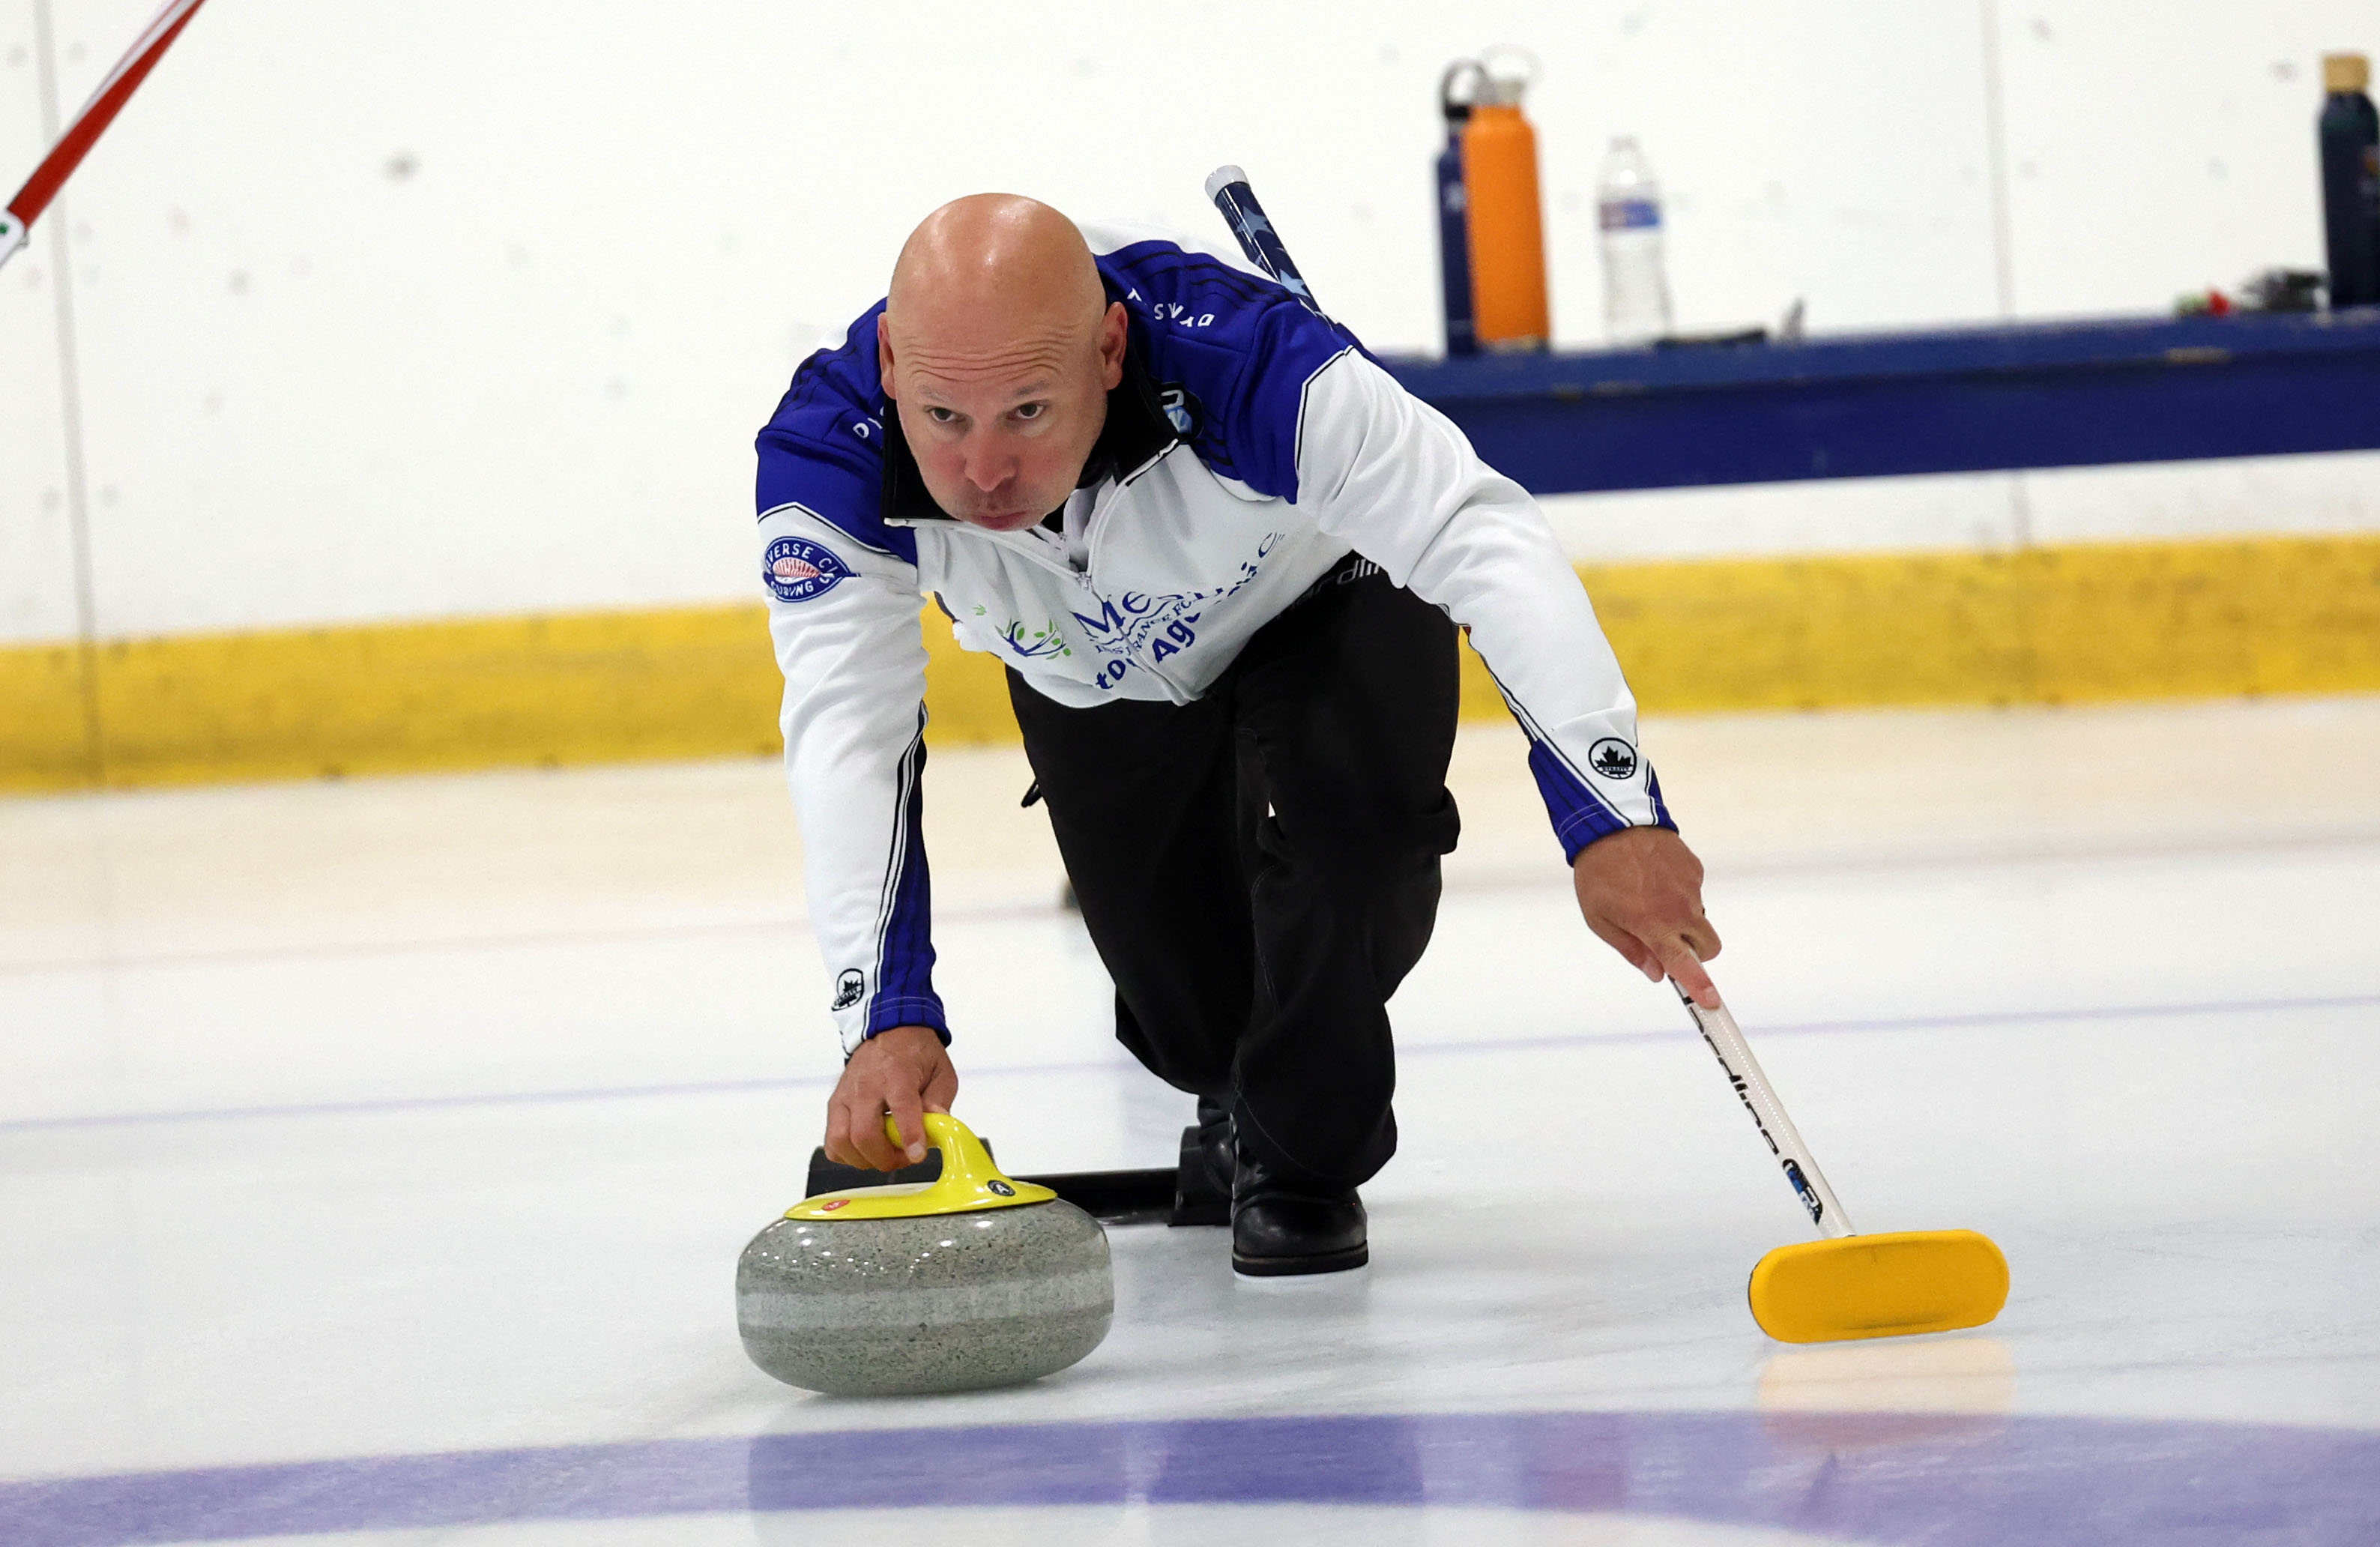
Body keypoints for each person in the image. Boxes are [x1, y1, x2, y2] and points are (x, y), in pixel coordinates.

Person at [754, 193, 1719, 1276]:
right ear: (891, 364)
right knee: (1192, 1024)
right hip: (1089, 670)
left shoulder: (1246, 358)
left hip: (1323, 593)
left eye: (1029, 412)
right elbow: (852, 734)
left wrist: (1612, 816)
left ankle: (1302, 1160)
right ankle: (1239, 1089)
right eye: (945, 419)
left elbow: (1476, 532)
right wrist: (880, 1018)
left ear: (1110, 349)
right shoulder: (825, 457)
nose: (984, 472)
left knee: (1353, 854)